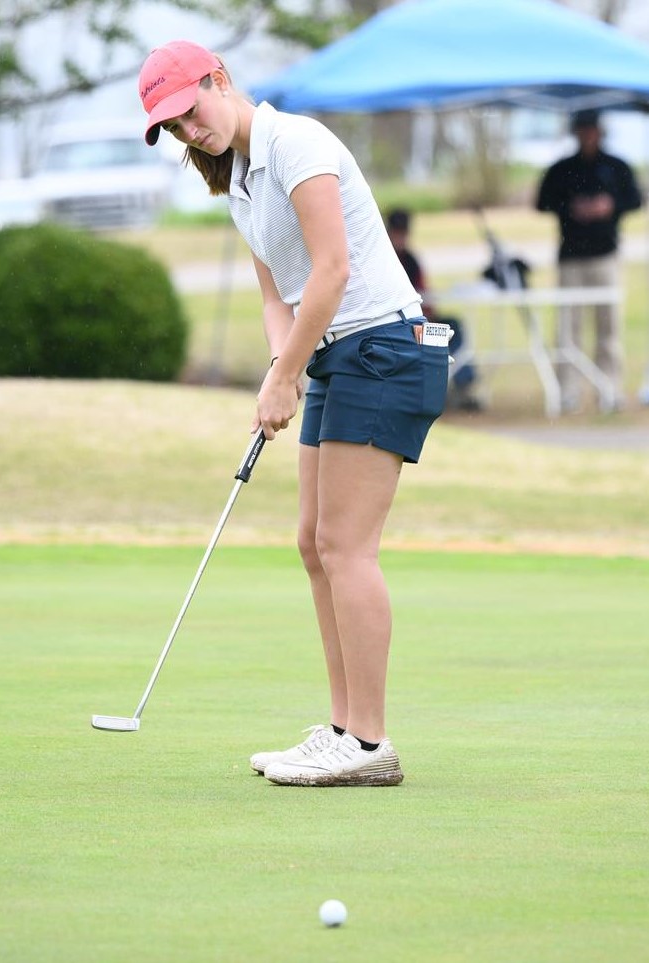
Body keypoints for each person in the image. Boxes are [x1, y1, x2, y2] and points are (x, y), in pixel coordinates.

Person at [139, 39, 448, 787]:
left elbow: (334, 269)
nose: (189, 131)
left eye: (189, 111)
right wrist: (280, 375)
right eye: (173, 127)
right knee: (313, 543)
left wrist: (284, 377)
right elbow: (278, 294)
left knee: (346, 546)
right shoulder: (240, 182)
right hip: (339, 354)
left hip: (385, 347)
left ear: (220, 81)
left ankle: (370, 744)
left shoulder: (297, 143)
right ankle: (342, 727)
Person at [535, 109, 644, 409]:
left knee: (608, 325)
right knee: (568, 327)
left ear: (600, 131)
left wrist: (608, 206)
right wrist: (573, 207)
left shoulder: (615, 166)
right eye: (582, 129)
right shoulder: (562, 169)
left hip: (605, 254)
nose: (588, 135)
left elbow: (636, 199)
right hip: (571, 255)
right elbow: (542, 201)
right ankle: (568, 392)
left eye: (592, 129)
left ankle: (609, 389)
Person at [385, 207, 480, 412]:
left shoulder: (411, 259)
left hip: (420, 318)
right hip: (399, 323)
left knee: (454, 326)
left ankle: (463, 383)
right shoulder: (385, 259)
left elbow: (424, 292)